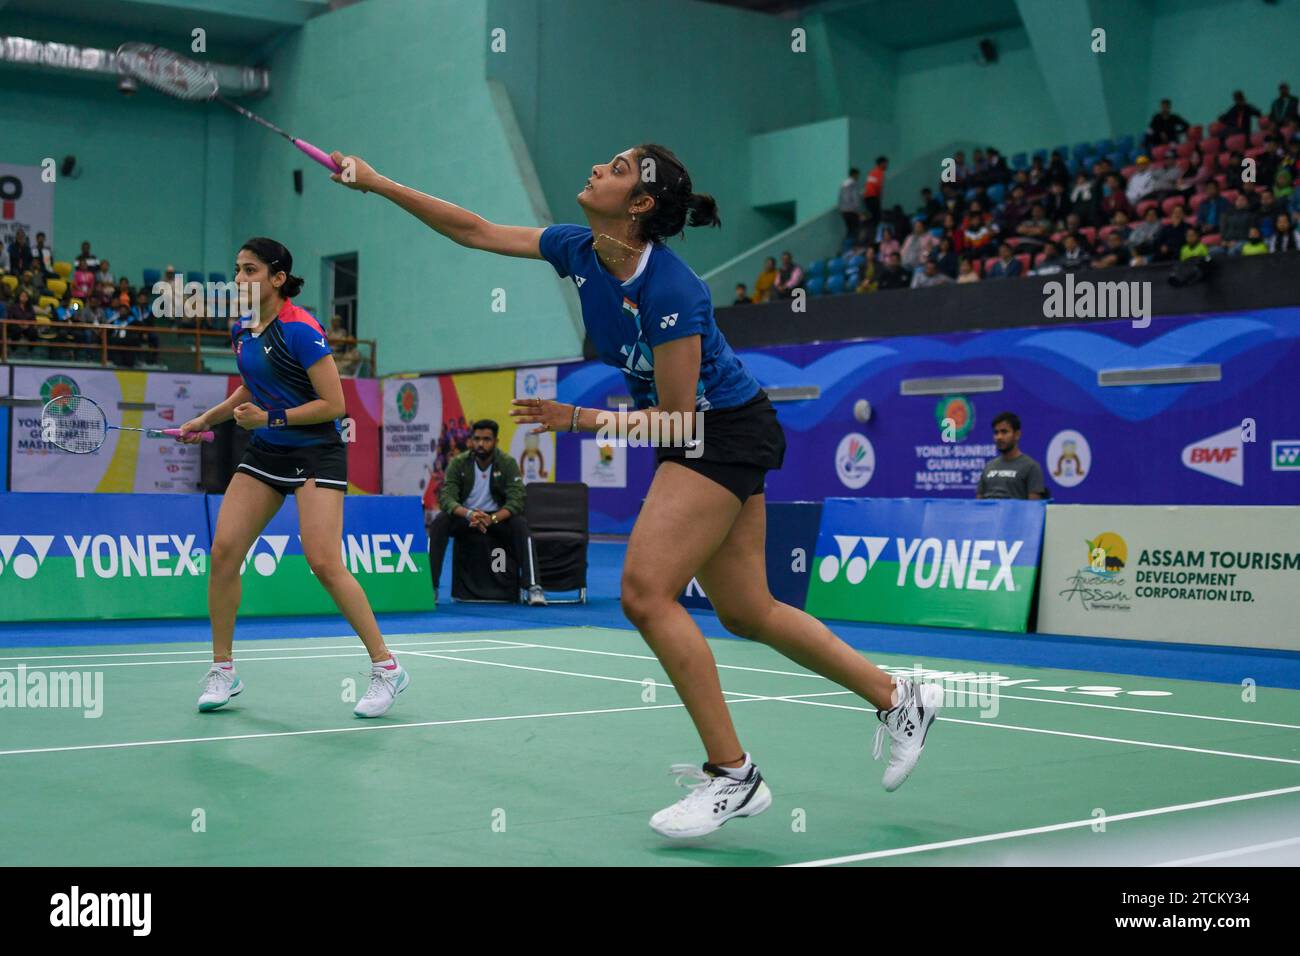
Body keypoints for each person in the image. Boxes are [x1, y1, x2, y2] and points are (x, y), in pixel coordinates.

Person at [330, 142, 945, 838]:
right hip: (703, 435)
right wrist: (379, 182)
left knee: (645, 593)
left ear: (641, 204)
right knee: (747, 610)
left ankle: (733, 775)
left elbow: (680, 417)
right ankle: (900, 698)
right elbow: (475, 229)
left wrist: (580, 419)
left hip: (723, 432)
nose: (597, 168)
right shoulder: (581, 248)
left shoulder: (671, 289)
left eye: (618, 169)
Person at [175, 237, 409, 718]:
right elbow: (252, 384)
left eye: (250, 271)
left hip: (317, 452)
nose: (239, 280)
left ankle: (387, 668)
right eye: (237, 270)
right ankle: (224, 669)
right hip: (268, 452)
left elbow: (334, 405)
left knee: (324, 562)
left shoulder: (300, 329)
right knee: (223, 552)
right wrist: (206, 420)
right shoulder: (243, 328)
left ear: (277, 279)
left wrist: (268, 419)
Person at [426, 419, 543, 605]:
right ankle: (429, 587)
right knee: (440, 522)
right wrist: (468, 514)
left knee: (520, 525)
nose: (481, 444)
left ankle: (534, 587)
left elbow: (517, 499)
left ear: (495, 441)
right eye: (477, 439)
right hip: (467, 518)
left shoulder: (507, 463)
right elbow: (446, 497)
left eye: (486, 439)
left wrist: (493, 519)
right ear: (471, 440)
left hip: (496, 519)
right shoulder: (459, 463)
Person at [977, 412, 1046, 499]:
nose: (999, 437)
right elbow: (979, 504)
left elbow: (1034, 508)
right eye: (996, 433)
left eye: (1004, 432)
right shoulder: (988, 466)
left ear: (1017, 435)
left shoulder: (1031, 467)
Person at [838, 167, 863, 240]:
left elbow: (841, 197)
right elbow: (855, 198)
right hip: (851, 210)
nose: (858, 177)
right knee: (856, 229)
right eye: (858, 175)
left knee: (849, 229)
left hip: (843, 211)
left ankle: (847, 246)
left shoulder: (843, 184)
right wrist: (859, 212)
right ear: (854, 175)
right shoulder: (853, 184)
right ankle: (855, 246)